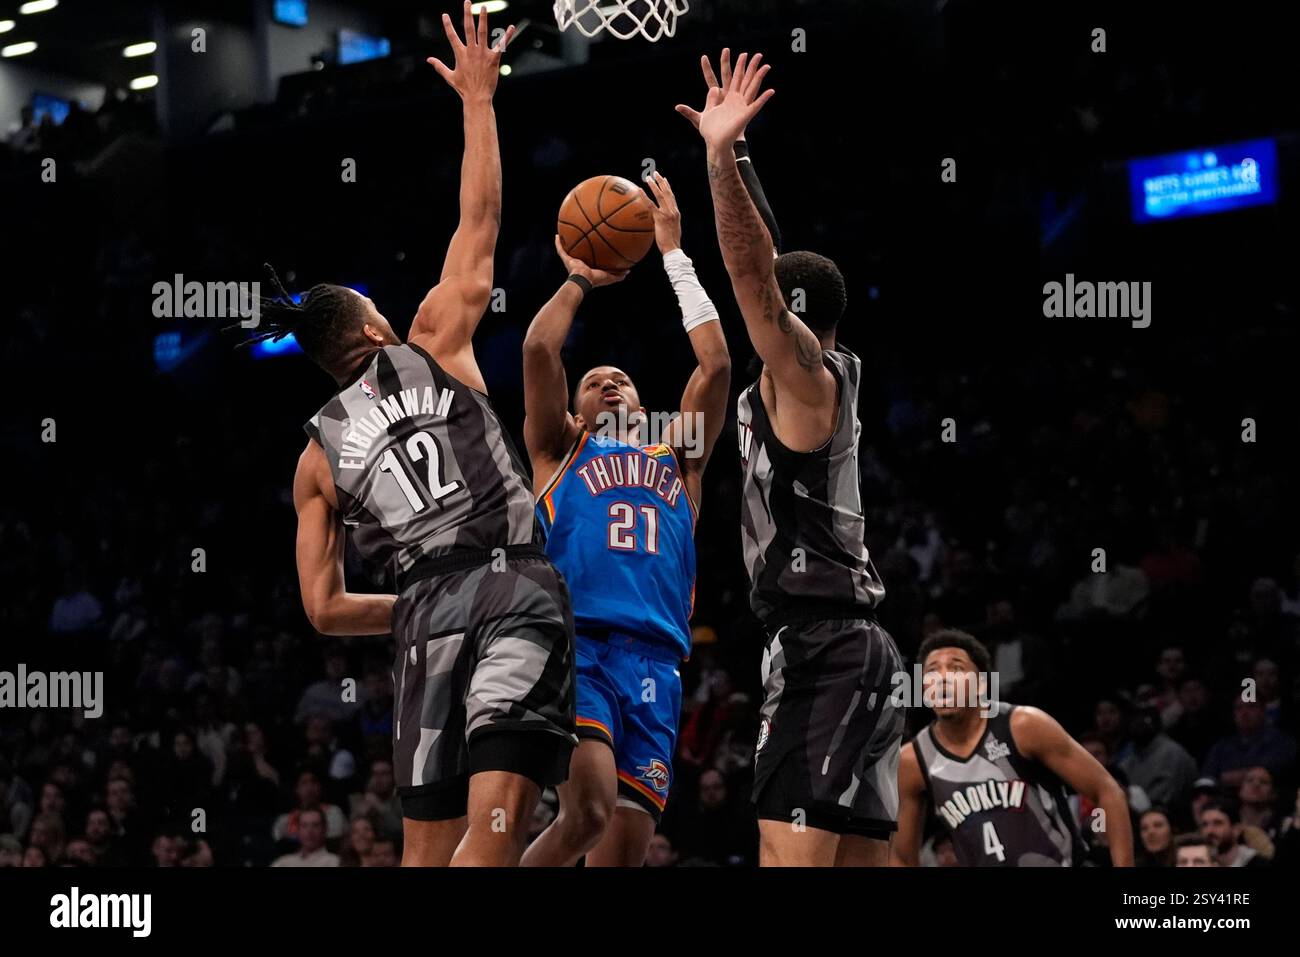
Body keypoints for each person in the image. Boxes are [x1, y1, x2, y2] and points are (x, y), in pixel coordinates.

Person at [246, 4, 575, 866]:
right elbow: (482, 220)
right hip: (512, 594)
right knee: (498, 835)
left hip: (428, 621)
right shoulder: (433, 340)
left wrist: (419, 603)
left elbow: (322, 608)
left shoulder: (315, 457)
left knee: (428, 856)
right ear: (373, 324)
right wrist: (477, 100)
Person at [682, 48, 903, 866]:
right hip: (849, 645)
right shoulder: (806, 377)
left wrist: (713, 161)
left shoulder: (807, 379)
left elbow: (752, 274)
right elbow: (766, 259)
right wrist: (738, 149)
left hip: (825, 646)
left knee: (785, 855)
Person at [519, 171, 730, 867]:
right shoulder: (559, 449)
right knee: (587, 810)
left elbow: (719, 363)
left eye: (624, 379)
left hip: (660, 667)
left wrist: (673, 254)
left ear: (644, 406)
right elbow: (538, 352)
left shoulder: (682, 459)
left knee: (622, 853)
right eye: (594, 381)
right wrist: (579, 279)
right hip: (580, 646)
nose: (610, 381)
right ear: (576, 410)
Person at [893, 631, 1134, 867]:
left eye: (956, 668)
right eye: (932, 671)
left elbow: (1108, 792)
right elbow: (901, 858)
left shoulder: (1024, 726)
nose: (942, 678)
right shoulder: (913, 760)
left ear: (981, 685)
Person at [271, 808, 339, 867]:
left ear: (324, 829)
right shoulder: (283, 862)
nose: (309, 831)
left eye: (315, 825)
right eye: (304, 826)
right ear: (298, 830)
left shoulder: (334, 862)